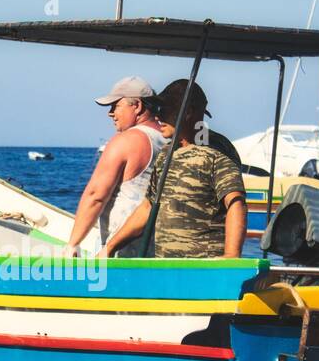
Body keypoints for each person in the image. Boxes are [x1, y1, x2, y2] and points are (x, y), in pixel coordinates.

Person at [100, 80, 246, 259]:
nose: (159, 116)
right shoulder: (166, 153)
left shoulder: (216, 148)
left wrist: (231, 256)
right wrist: (110, 247)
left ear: (188, 112)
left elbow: (235, 202)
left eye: (165, 110)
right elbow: (147, 207)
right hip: (167, 267)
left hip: (204, 268)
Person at [66, 76, 169, 256]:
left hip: (121, 252)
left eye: (116, 106)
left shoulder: (126, 140)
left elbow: (96, 195)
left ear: (136, 106)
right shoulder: (169, 139)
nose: (110, 113)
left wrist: (73, 243)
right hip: (157, 249)